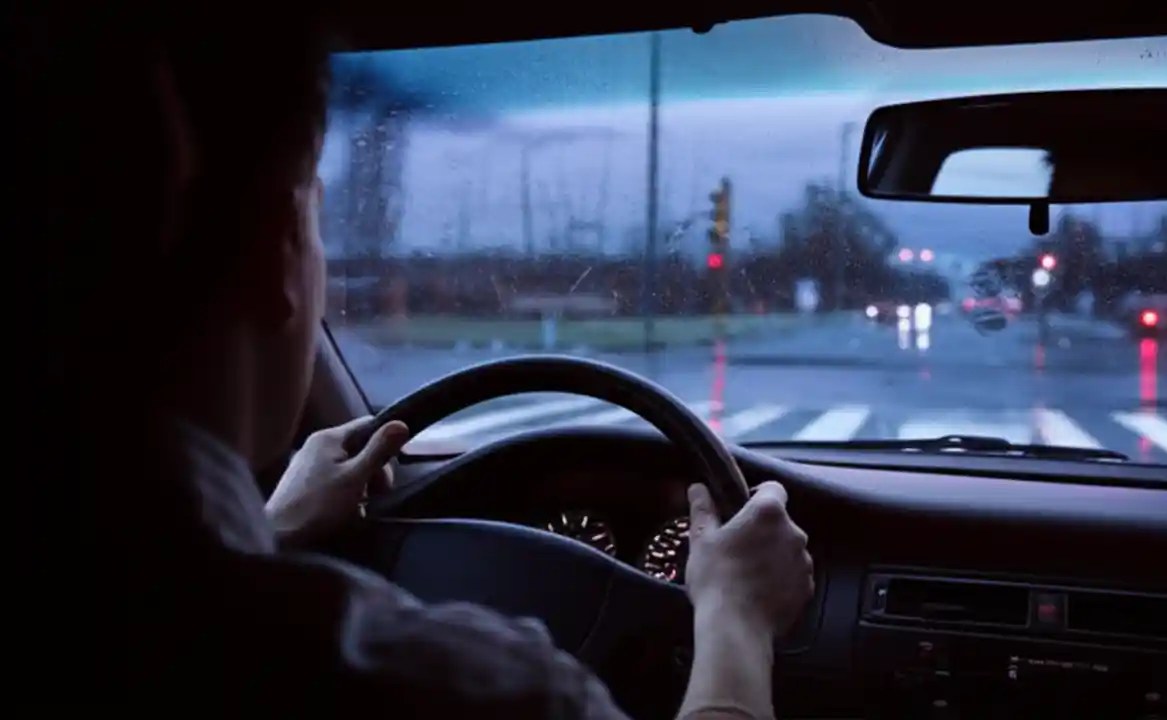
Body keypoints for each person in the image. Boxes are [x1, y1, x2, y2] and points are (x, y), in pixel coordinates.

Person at [56, 11, 813, 719]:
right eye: (314, 224)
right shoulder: (464, 687)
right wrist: (736, 618)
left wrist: (274, 528)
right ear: (275, 252)